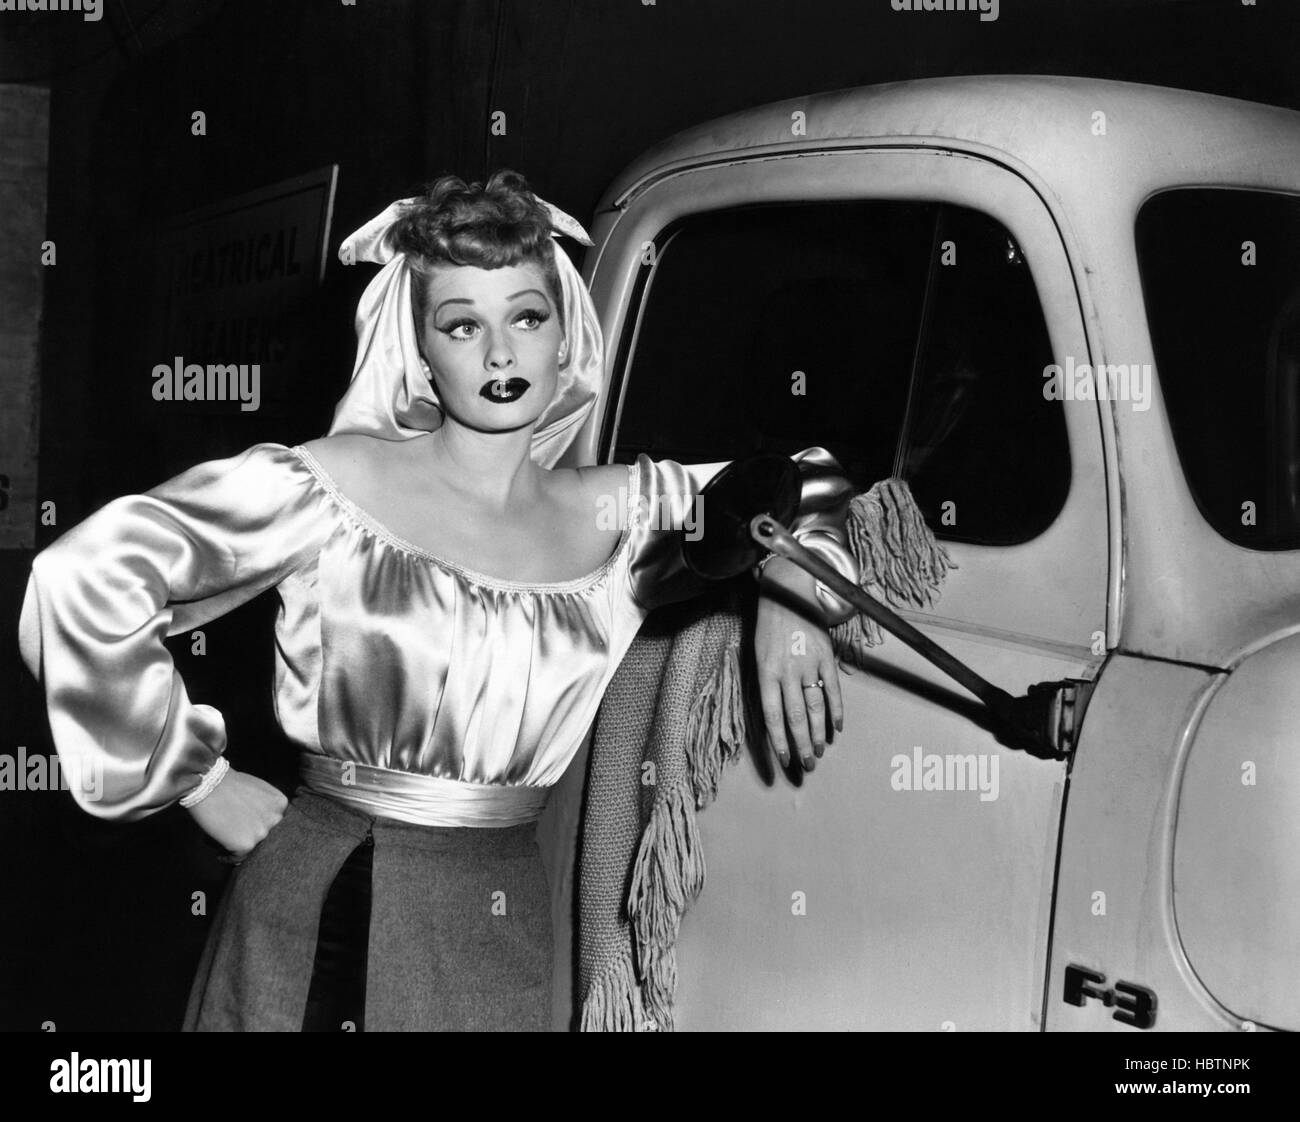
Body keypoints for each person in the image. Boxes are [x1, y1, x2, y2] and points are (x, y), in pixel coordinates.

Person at [17, 170, 862, 1032]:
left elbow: (806, 483)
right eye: (463, 326)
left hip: (499, 919)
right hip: (326, 898)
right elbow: (83, 576)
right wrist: (196, 782)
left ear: (565, 332)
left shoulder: (623, 511)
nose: (501, 355)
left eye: (526, 317)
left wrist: (792, 595)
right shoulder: (331, 485)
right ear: (418, 350)